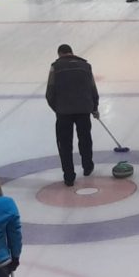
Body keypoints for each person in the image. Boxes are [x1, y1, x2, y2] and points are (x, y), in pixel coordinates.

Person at [46, 43, 99, 184]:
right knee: (85, 140)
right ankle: (87, 167)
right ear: (71, 52)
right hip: (83, 110)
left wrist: (57, 108)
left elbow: (50, 92)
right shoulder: (86, 66)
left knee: (65, 144)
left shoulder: (55, 67)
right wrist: (94, 107)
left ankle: (69, 176)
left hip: (63, 112)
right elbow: (93, 89)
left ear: (60, 54)